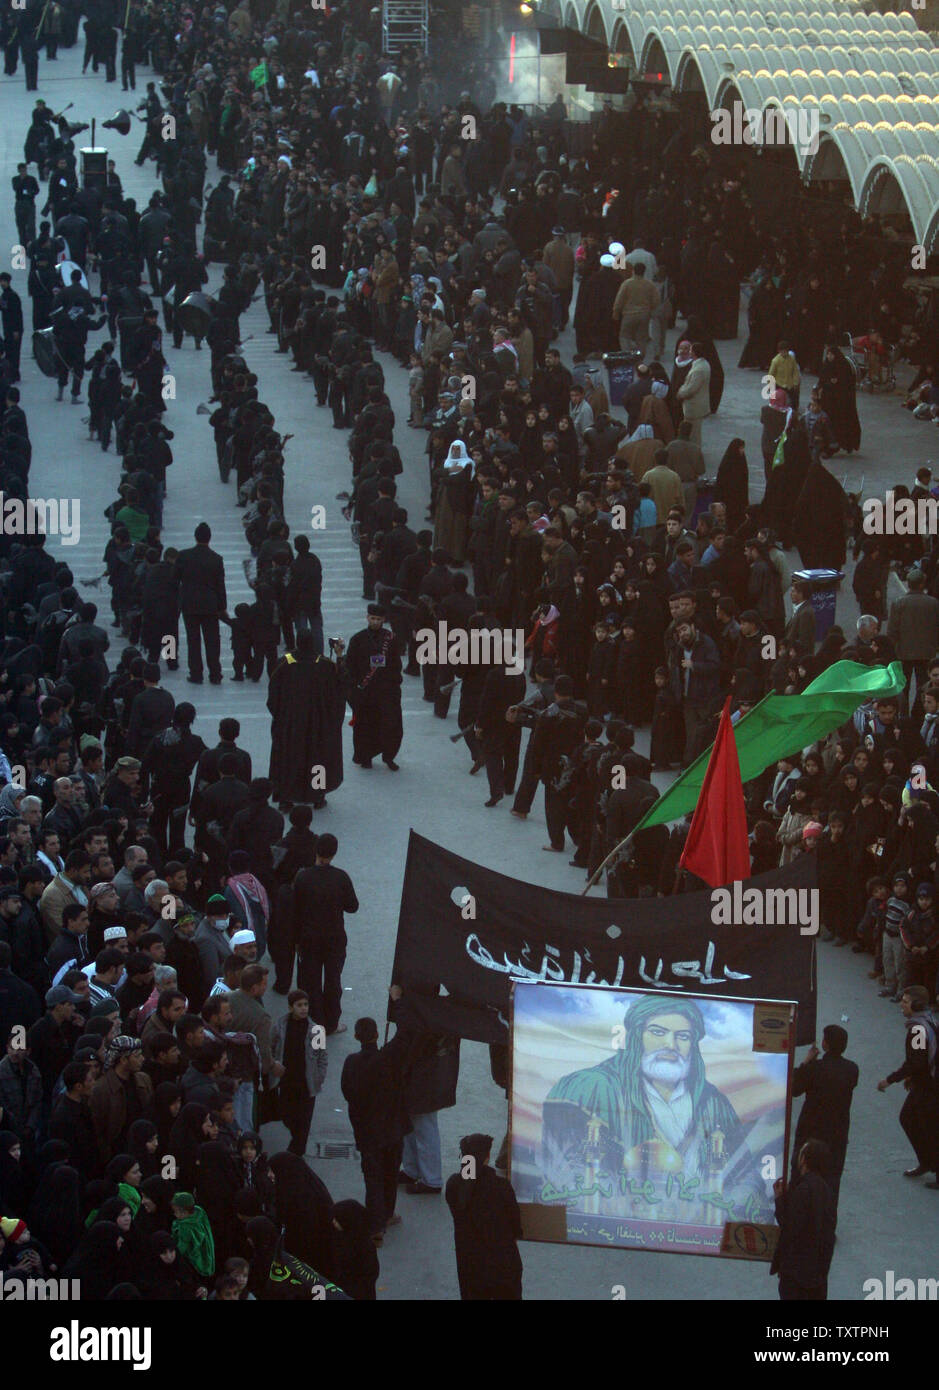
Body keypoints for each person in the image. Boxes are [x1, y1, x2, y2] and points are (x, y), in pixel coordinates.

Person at [340, 1016, 411, 1243]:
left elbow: (348, 1092)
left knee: (373, 1177)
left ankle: (376, 1223)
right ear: (377, 1035)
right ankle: (387, 1213)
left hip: (367, 1131)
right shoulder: (388, 1060)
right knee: (390, 1173)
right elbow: (404, 1037)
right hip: (392, 1128)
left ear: (356, 1036)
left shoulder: (352, 1063)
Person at [267, 630, 345, 811]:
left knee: (288, 758)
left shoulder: (284, 663)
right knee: (318, 759)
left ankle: (285, 797)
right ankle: (317, 795)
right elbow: (340, 689)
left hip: (290, 724)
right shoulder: (325, 665)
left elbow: (273, 696)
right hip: (319, 725)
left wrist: (281, 717)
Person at [292, 834, 358, 1037]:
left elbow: (296, 910)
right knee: (332, 981)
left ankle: (313, 1022)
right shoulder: (341, 877)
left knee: (310, 980)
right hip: (334, 938)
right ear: (334, 853)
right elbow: (352, 906)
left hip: (309, 938)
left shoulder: (303, 877)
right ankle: (331, 1023)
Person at [445, 1132, 523, 1300]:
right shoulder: (501, 1187)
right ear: (487, 1157)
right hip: (503, 1266)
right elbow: (516, 1226)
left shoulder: (454, 1186)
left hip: (470, 1265)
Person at [790, 1025, 858, 1209]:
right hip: (837, 1134)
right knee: (832, 1180)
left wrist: (806, 1063)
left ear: (825, 1044)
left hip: (810, 1132)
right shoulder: (852, 1069)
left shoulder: (814, 1068)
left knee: (801, 1175)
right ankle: (827, 1226)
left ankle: (796, 1218)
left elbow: (795, 1089)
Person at [877, 985, 939, 1185]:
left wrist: (890, 1079)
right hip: (924, 1082)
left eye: (905, 1001)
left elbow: (917, 1062)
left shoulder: (918, 1029)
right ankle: (927, 1162)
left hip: (929, 1086)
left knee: (928, 1127)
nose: (901, 1005)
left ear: (917, 1004)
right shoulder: (923, 1022)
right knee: (910, 1118)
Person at [770, 1139, 837, 1300]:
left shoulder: (803, 1190)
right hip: (817, 1274)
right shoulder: (827, 1191)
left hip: (797, 1276)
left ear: (804, 1159)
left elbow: (789, 1226)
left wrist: (780, 1200)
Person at [343, 604, 404, 770]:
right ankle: (366, 757)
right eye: (372, 618)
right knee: (365, 726)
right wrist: (355, 688)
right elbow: (351, 665)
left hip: (386, 690)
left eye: (378, 619)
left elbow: (396, 664)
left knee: (391, 725)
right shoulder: (358, 639)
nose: (375, 622)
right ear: (367, 618)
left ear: (383, 620)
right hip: (366, 691)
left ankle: (389, 756)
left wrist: (393, 684)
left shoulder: (390, 638)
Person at [269, 990, 327, 1156]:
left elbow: (322, 1056)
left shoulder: (316, 1030)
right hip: (287, 1081)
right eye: (299, 1005)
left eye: (306, 1005)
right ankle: (296, 1143)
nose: (303, 1009)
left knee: (304, 1121)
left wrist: (319, 1077)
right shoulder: (280, 1026)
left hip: (307, 1083)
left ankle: (297, 1151)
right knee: (287, 1115)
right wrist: (274, 1065)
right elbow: (271, 1047)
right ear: (290, 1007)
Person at [174, 524, 227, 685]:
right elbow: (220, 585)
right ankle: (215, 674)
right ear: (209, 538)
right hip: (210, 604)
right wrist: (222, 606)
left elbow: (175, 578)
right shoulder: (216, 559)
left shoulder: (183, 556)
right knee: (212, 640)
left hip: (189, 603)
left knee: (193, 639)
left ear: (195, 537)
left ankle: (196, 674)